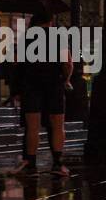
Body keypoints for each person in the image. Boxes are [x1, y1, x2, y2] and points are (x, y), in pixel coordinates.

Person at [10, 13, 72, 176]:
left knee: (33, 126)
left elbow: (17, 64)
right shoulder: (59, 37)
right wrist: (66, 79)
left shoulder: (27, 38)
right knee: (58, 125)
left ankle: (31, 164)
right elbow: (68, 64)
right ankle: (58, 164)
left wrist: (16, 90)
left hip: (31, 85)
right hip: (54, 84)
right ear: (50, 21)